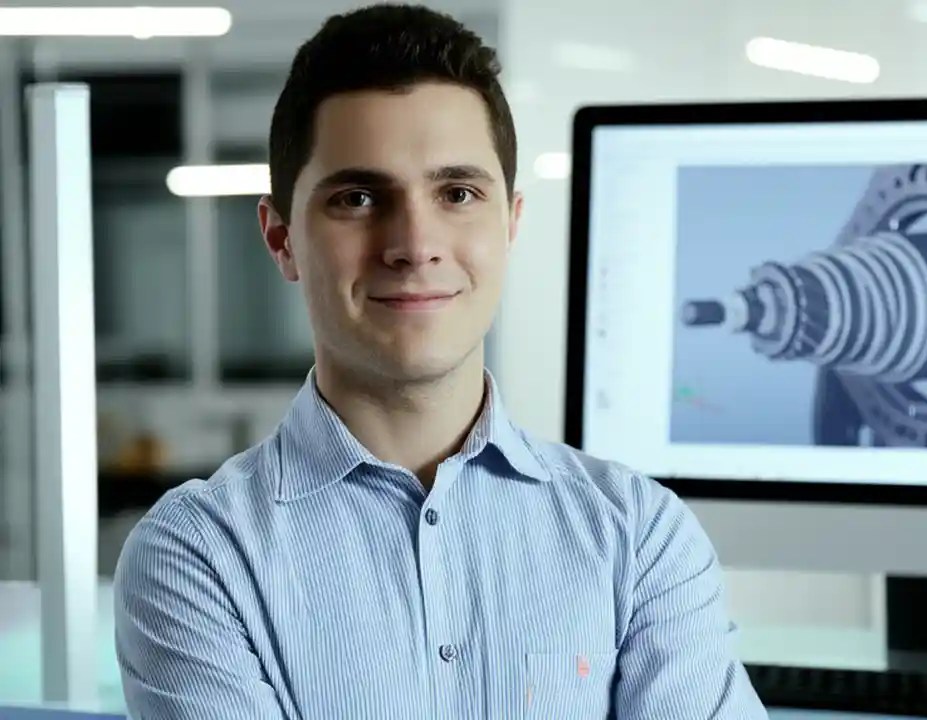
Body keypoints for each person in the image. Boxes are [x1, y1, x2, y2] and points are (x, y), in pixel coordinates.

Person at [112, 4, 768, 719]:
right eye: (358, 197)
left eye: (457, 193)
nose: (414, 243)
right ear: (281, 239)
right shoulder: (198, 557)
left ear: (510, 223)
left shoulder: (639, 538)